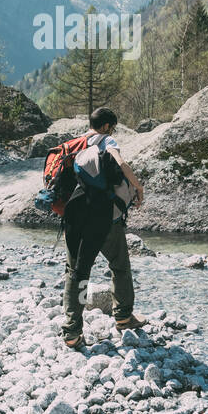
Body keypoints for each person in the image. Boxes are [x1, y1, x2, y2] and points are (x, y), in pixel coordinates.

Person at [60, 107, 147, 349]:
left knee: (76, 273)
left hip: (74, 214)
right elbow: (118, 160)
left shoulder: (76, 144)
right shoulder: (107, 140)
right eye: (114, 127)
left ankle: (72, 332)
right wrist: (138, 187)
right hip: (103, 217)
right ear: (107, 126)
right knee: (119, 266)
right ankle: (123, 317)